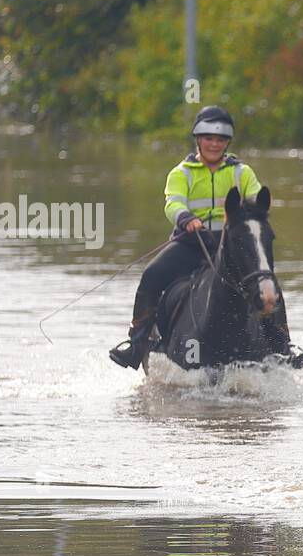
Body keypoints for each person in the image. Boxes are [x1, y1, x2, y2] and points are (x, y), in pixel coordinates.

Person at [109, 105, 265, 370]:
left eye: (220, 140)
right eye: (209, 138)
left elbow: (257, 202)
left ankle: (283, 345)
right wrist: (186, 218)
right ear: (198, 140)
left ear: (227, 143)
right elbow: (173, 203)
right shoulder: (181, 173)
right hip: (193, 242)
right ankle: (136, 344)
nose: (214, 144)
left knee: (266, 280)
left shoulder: (243, 173)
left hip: (232, 245)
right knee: (151, 275)